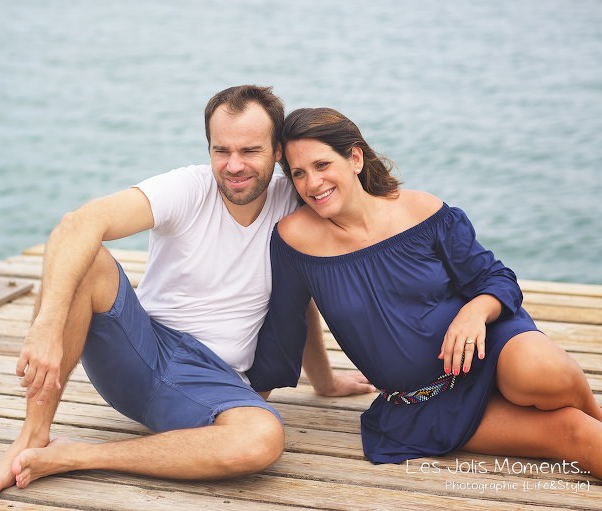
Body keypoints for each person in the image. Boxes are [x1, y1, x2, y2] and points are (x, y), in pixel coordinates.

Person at [0, 86, 373, 494]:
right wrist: (46, 326)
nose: (234, 165)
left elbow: (299, 298)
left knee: (262, 437)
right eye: (221, 150)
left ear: (276, 152)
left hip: (215, 384)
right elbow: (78, 223)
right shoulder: (188, 188)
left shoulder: (295, 201)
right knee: (87, 258)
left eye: (250, 151)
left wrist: (323, 382)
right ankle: (32, 438)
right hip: (143, 354)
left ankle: (76, 456)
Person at [248, 107, 602, 477]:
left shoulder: (422, 210)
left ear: (354, 158)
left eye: (322, 165)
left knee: (544, 371)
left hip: (489, 349)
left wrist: (474, 313)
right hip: (426, 404)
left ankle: (596, 415)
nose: (312, 183)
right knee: (572, 432)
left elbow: (495, 278)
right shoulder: (295, 239)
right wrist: (251, 406)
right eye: (299, 173)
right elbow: (285, 329)